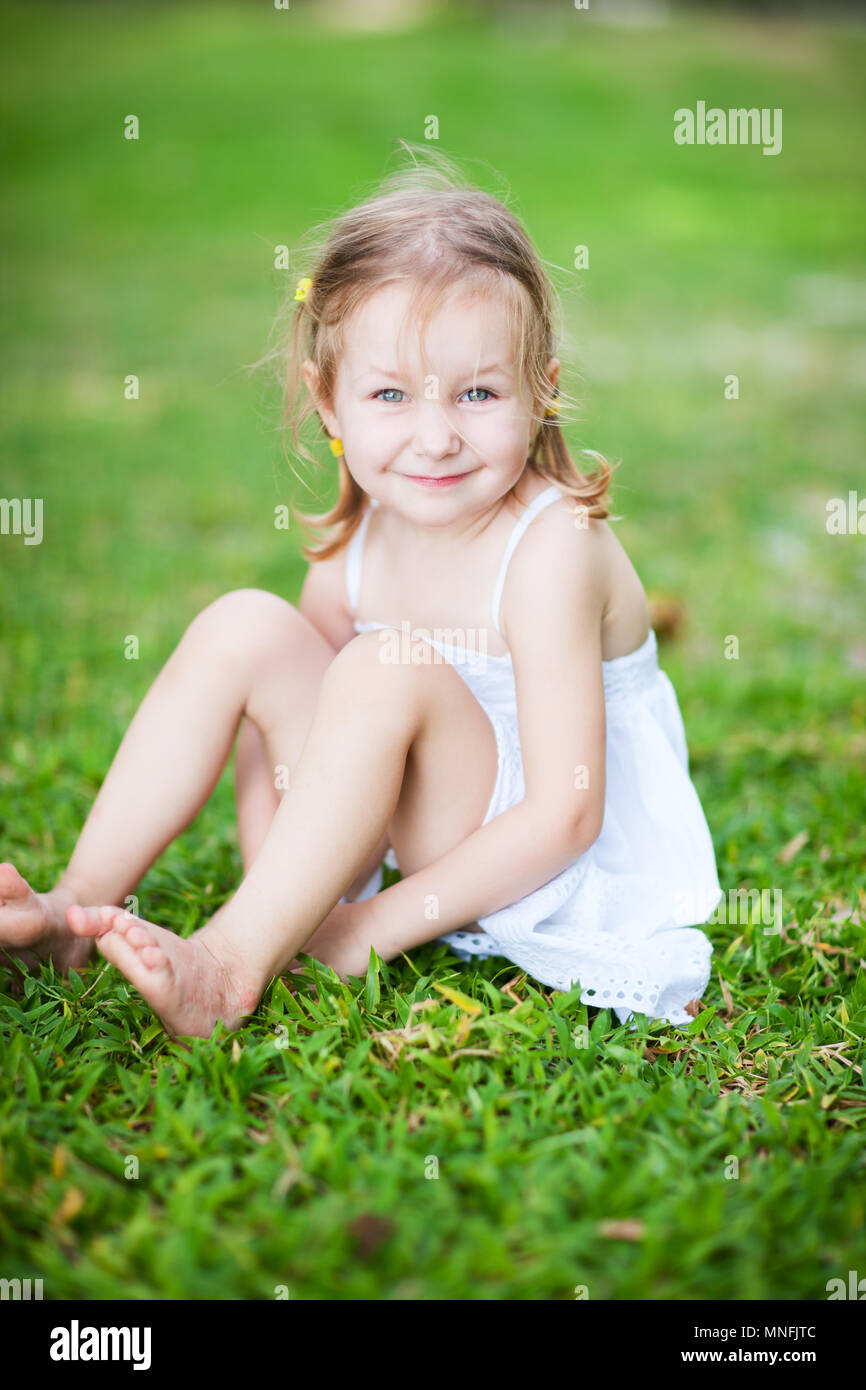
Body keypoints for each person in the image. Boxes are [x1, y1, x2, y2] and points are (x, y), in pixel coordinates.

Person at [0, 149, 722, 1038]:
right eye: (389, 393)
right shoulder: (356, 545)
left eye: (478, 393)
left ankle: (231, 967)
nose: (434, 437)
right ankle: (74, 912)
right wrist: (299, 887)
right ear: (329, 403)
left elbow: (568, 812)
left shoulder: (551, 550)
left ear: (541, 395)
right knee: (245, 626)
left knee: (385, 663)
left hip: (538, 852)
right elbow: (297, 736)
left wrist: (360, 928)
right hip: (415, 817)